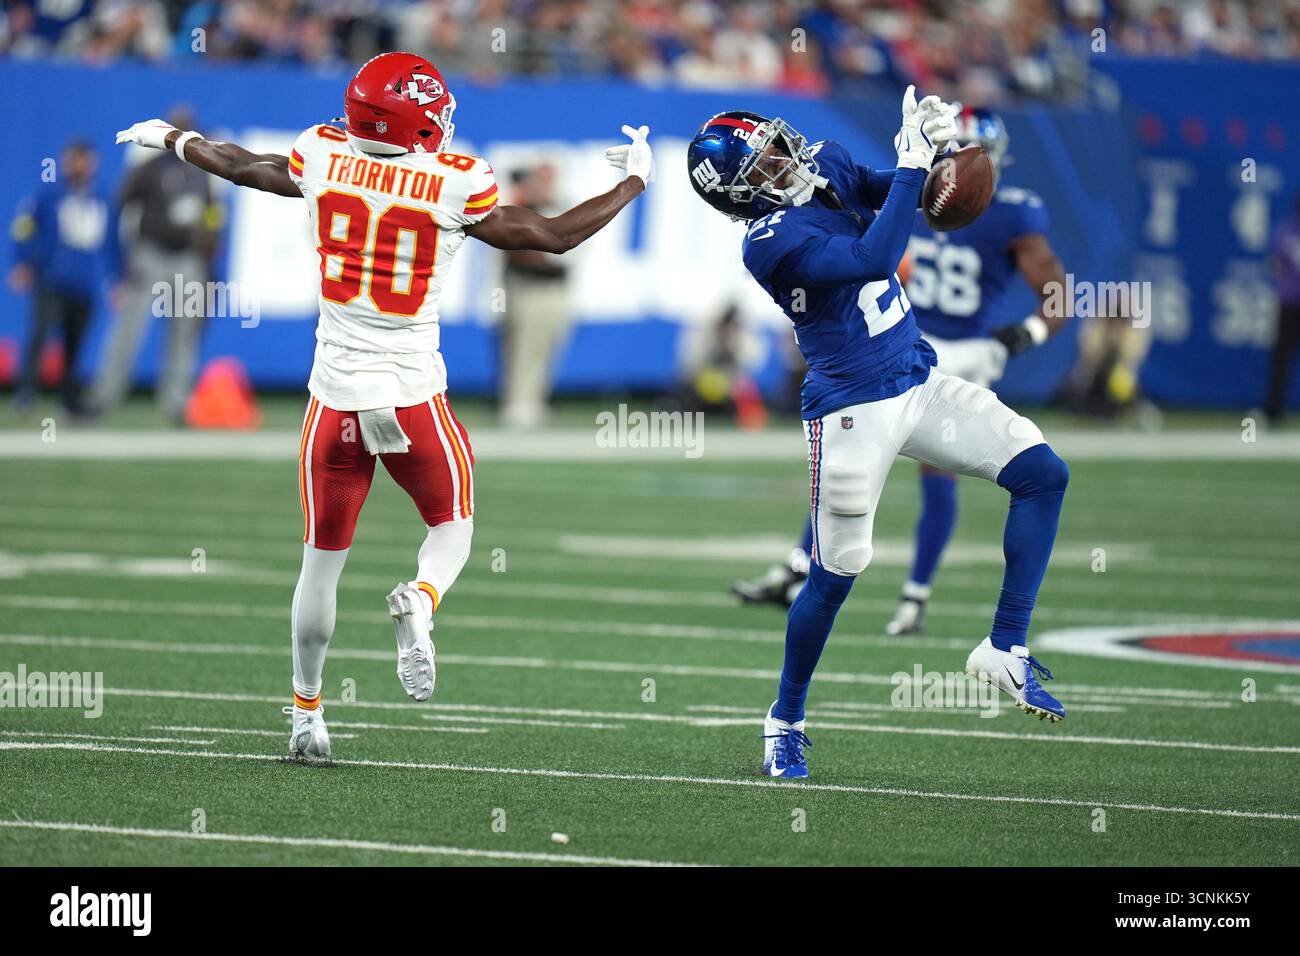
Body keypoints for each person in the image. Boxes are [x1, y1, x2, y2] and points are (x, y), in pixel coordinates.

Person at [116, 51, 652, 762]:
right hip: (410, 397)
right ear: (414, 123)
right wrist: (635, 179)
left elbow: (247, 166)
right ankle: (421, 601)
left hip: (332, 401)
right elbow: (555, 235)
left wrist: (173, 138)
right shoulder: (457, 182)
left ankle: (307, 714)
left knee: (319, 566)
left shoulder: (325, 153)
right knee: (454, 525)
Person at [687, 91, 1070, 779]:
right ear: (742, 192)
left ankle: (1004, 647)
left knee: (1043, 473)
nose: (785, 155)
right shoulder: (768, 243)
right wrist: (911, 161)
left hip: (918, 381)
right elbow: (873, 255)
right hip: (850, 412)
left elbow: (917, 200)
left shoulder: (825, 164)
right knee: (835, 577)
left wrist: (937, 151)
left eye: (779, 141)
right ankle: (785, 720)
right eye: (766, 158)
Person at [732, 109, 1071, 640]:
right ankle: (804, 569)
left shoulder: (1011, 212)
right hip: (893, 336)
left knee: (969, 472)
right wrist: (914, 167)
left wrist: (1028, 332)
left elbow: (1055, 287)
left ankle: (919, 594)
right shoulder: (777, 234)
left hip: (949, 353)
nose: (965, 163)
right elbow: (876, 250)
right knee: (846, 498)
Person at [92, 106, 220, 422]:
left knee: (184, 334)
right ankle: (104, 395)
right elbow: (119, 208)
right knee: (129, 329)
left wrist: (208, 257)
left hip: (188, 258)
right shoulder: (148, 169)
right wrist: (122, 259)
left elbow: (212, 216)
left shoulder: (200, 174)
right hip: (150, 253)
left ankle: (176, 403)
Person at [9, 138, 121, 416]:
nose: (78, 165)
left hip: (84, 283)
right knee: (40, 335)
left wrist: (116, 278)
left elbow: (112, 243)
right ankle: (27, 392)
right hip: (51, 279)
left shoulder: (103, 199)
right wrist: (22, 262)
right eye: (74, 159)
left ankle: (68, 398)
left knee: (75, 343)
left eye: (84, 159)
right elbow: (24, 227)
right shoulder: (49, 196)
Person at [499, 163, 570, 428]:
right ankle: (518, 404)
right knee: (523, 346)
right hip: (527, 287)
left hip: (556, 287)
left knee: (549, 345)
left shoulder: (560, 206)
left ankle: (537, 400)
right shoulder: (521, 209)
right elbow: (522, 253)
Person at [1263, 193, 1300, 425]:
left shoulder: (1284, 231)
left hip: (1288, 301)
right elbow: (1275, 265)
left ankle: (1273, 411)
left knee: (1281, 359)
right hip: (1289, 304)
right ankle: (1273, 410)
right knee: (1281, 359)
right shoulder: (1286, 232)